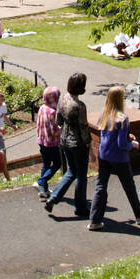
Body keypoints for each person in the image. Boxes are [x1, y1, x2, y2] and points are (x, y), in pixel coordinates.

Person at [89, 86, 140, 230]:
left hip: (103, 154)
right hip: (118, 157)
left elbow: (107, 135)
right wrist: (133, 144)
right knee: (129, 186)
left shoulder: (104, 115)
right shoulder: (122, 119)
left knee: (100, 186)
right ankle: (139, 215)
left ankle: (94, 220)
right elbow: (121, 144)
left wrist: (125, 135)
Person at [47, 73, 91, 216]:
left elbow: (58, 121)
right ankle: (80, 207)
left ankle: (54, 197)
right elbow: (84, 127)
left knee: (71, 171)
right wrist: (88, 143)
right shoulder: (80, 106)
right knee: (81, 176)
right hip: (78, 144)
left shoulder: (63, 99)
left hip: (64, 141)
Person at [33, 87, 62, 199]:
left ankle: (43, 190)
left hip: (41, 140)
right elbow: (55, 130)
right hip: (51, 143)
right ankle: (42, 181)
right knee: (57, 163)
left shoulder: (42, 108)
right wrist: (62, 129)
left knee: (46, 163)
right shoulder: (53, 112)